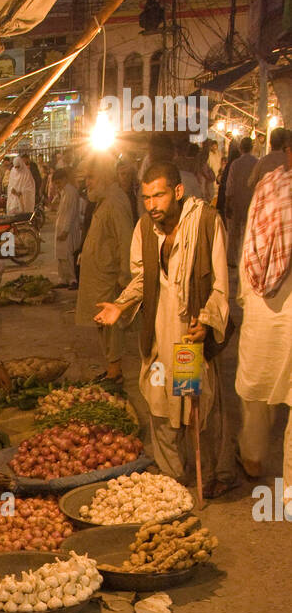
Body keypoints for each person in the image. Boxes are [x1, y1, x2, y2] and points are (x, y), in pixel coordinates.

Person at [95, 161, 233, 496]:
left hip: (189, 338)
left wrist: (209, 320)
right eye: (146, 197)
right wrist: (121, 304)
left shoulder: (206, 223)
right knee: (159, 406)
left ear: (178, 191)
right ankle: (174, 477)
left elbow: (220, 286)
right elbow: (143, 278)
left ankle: (210, 475)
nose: (152, 204)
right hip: (159, 334)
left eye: (159, 195)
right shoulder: (145, 228)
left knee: (199, 410)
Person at [235, 135, 292, 502]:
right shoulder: (270, 184)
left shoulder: (268, 187)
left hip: (263, 308)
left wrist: (244, 296)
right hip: (280, 309)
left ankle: (253, 458)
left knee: (257, 391)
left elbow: (249, 255)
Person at [75, 157, 134, 385]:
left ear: (104, 177)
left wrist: (124, 277)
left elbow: (125, 240)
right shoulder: (105, 200)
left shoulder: (115, 201)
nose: (87, 183)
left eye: (91, 177)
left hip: (110, 280)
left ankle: (115, 372)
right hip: (100, 277)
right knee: (102, 324)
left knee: (112, 326)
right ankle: (111, 368)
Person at [223, 137, 257, 265]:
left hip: (235, 201)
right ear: (251, 147)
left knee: (233, 233)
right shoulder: (256, 162)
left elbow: (230, 185)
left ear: (240, 148)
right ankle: (246, 259)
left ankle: (231, 260)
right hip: (251, 201)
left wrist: (227, 203)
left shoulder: (235, 164)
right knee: (248, 232)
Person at [52, 168, 82, 289]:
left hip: (68, 229)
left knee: (69, 255)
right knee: (61, 255)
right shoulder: (64, 192)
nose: (57, 186)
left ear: (64, 180)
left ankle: (73, 280)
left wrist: (65, 230)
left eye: (58, 183)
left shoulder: (71, 192)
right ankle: (63, 278)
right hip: (61, 227)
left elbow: (70, 212)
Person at [248, 127, 289, 193]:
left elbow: (251, 183)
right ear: (284, 143)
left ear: (270, 142)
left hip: (266, 201)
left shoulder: (263, 162)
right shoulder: (288, 162)